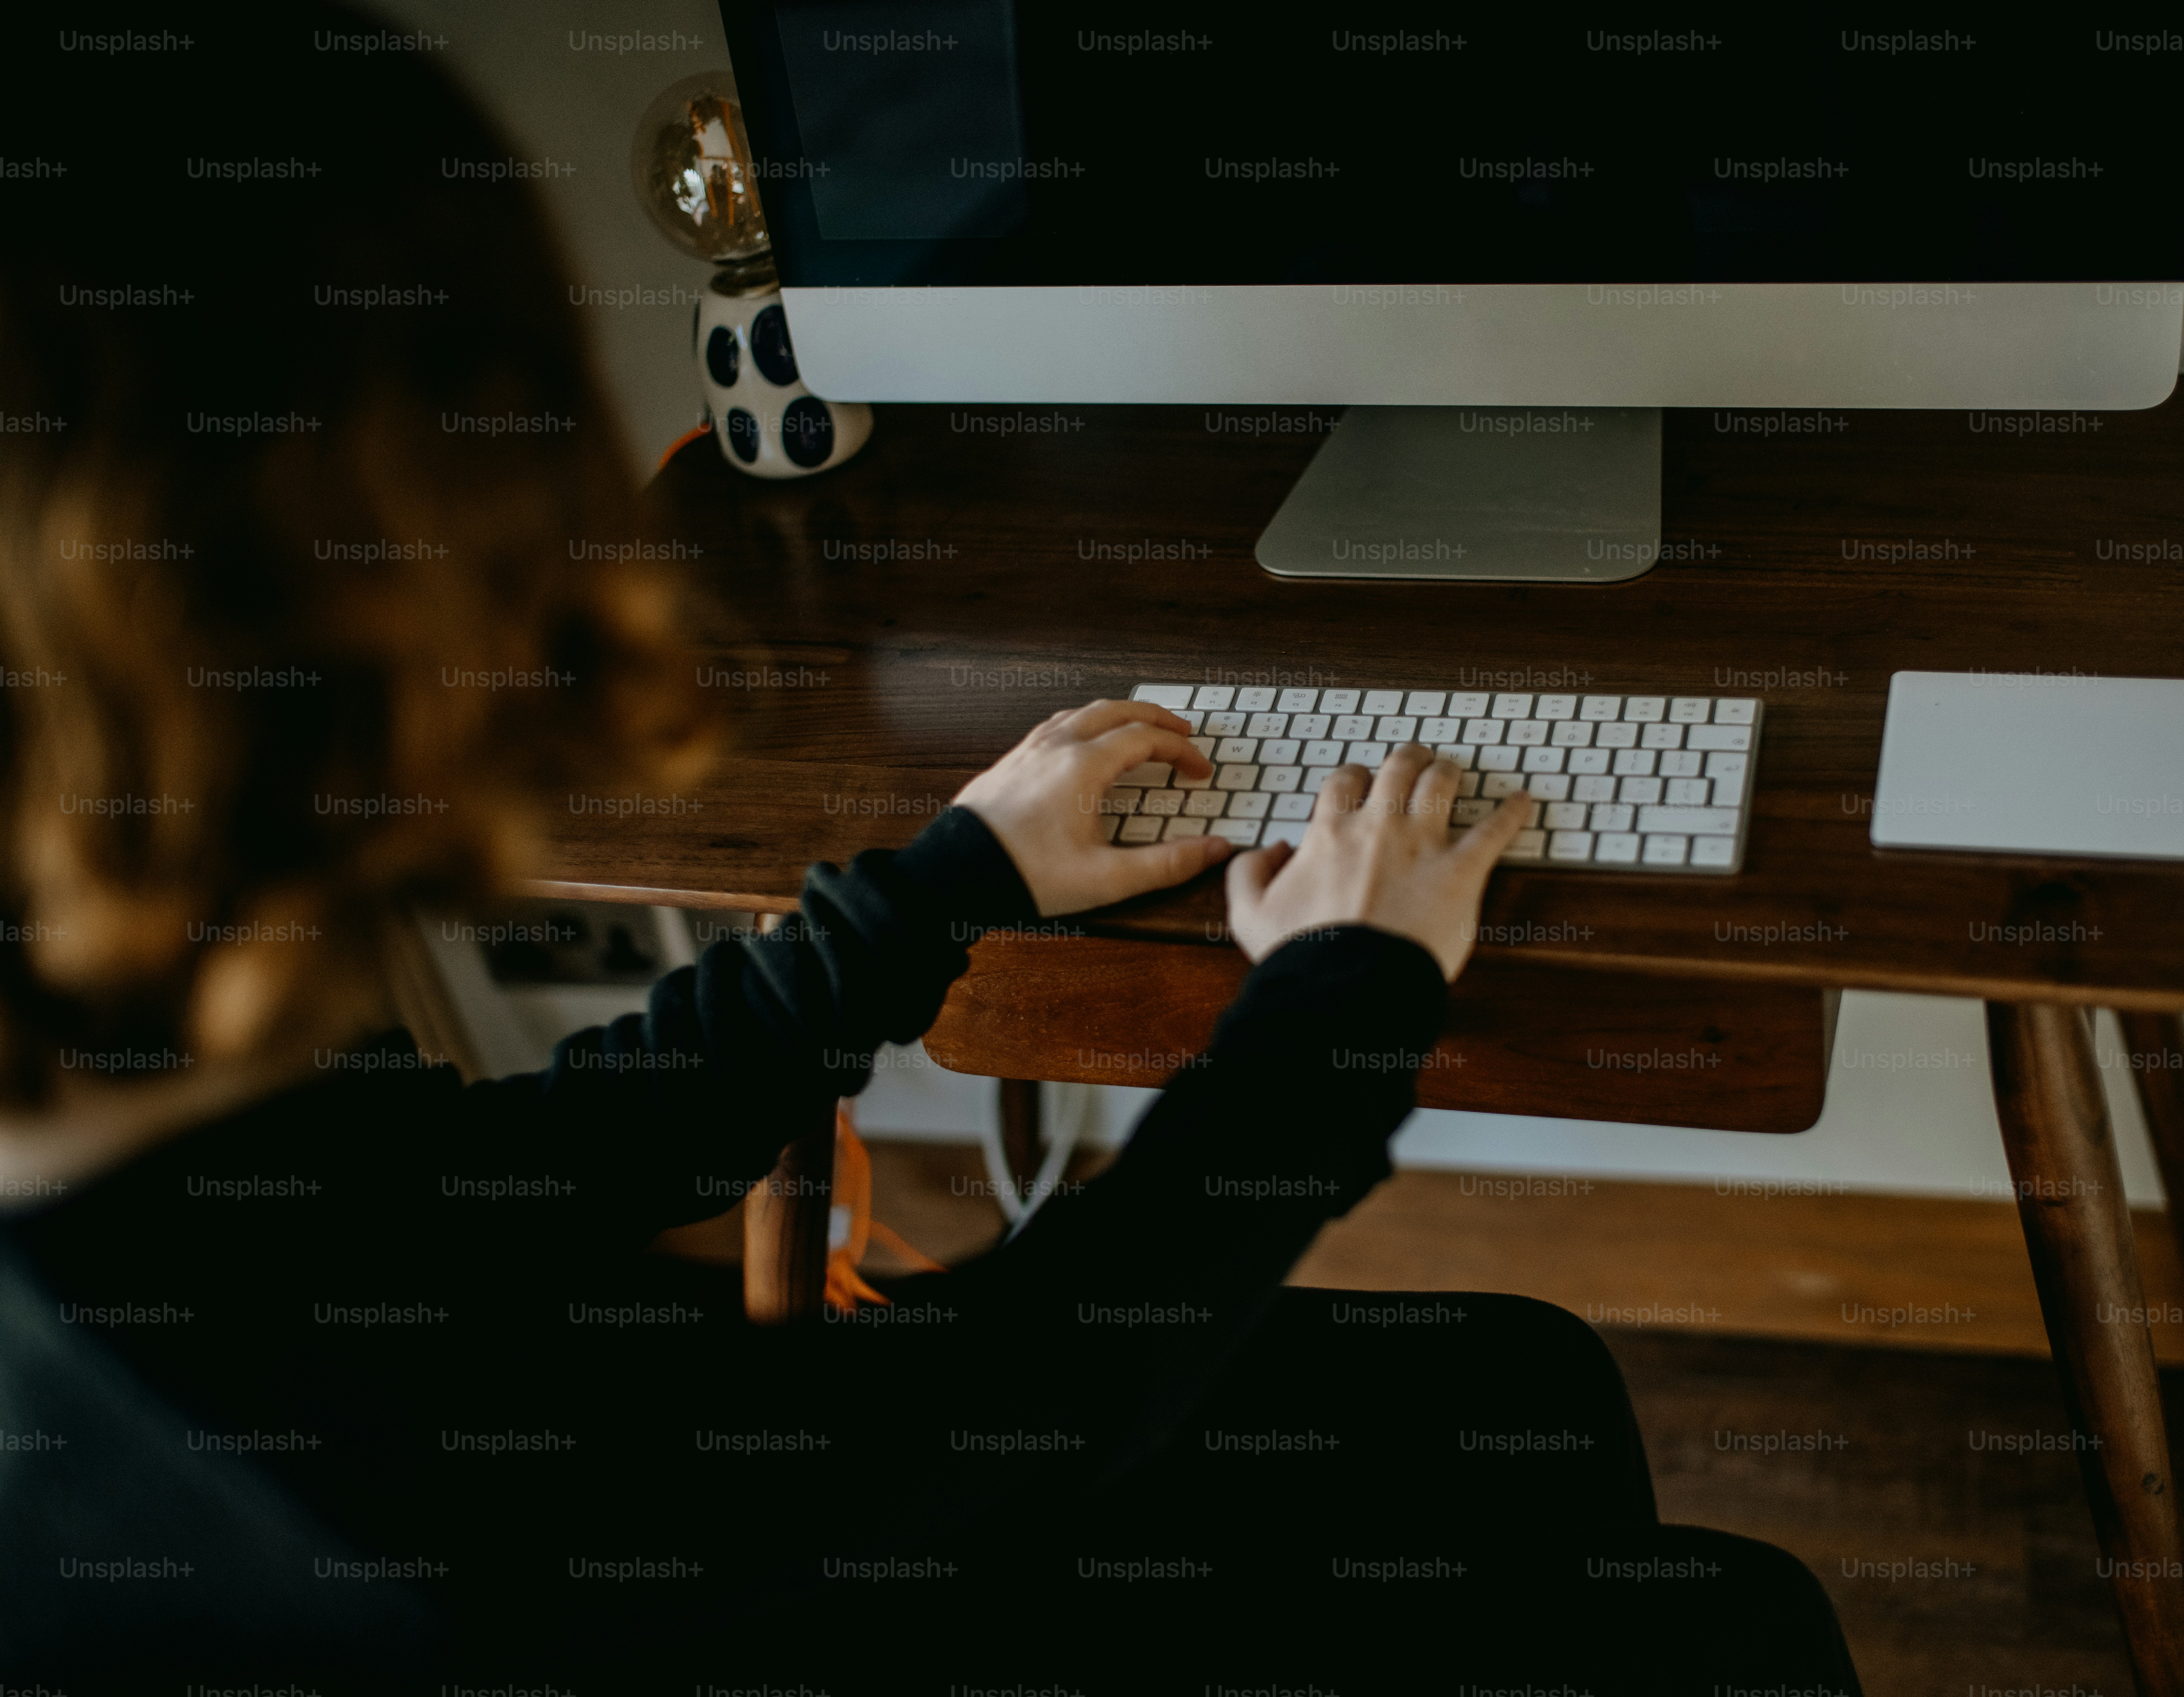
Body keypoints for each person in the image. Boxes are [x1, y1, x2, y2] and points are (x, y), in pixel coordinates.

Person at [0, 9, 1861, 1692]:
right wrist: (1338, 1002)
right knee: (1735, 1627)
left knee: (1515, 1386)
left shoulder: (112, 1074)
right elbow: (1009, 1420)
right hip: (843, 1572)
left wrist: (944, 882)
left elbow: (493, 1186)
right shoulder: (302, 1494)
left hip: (776, 1518)